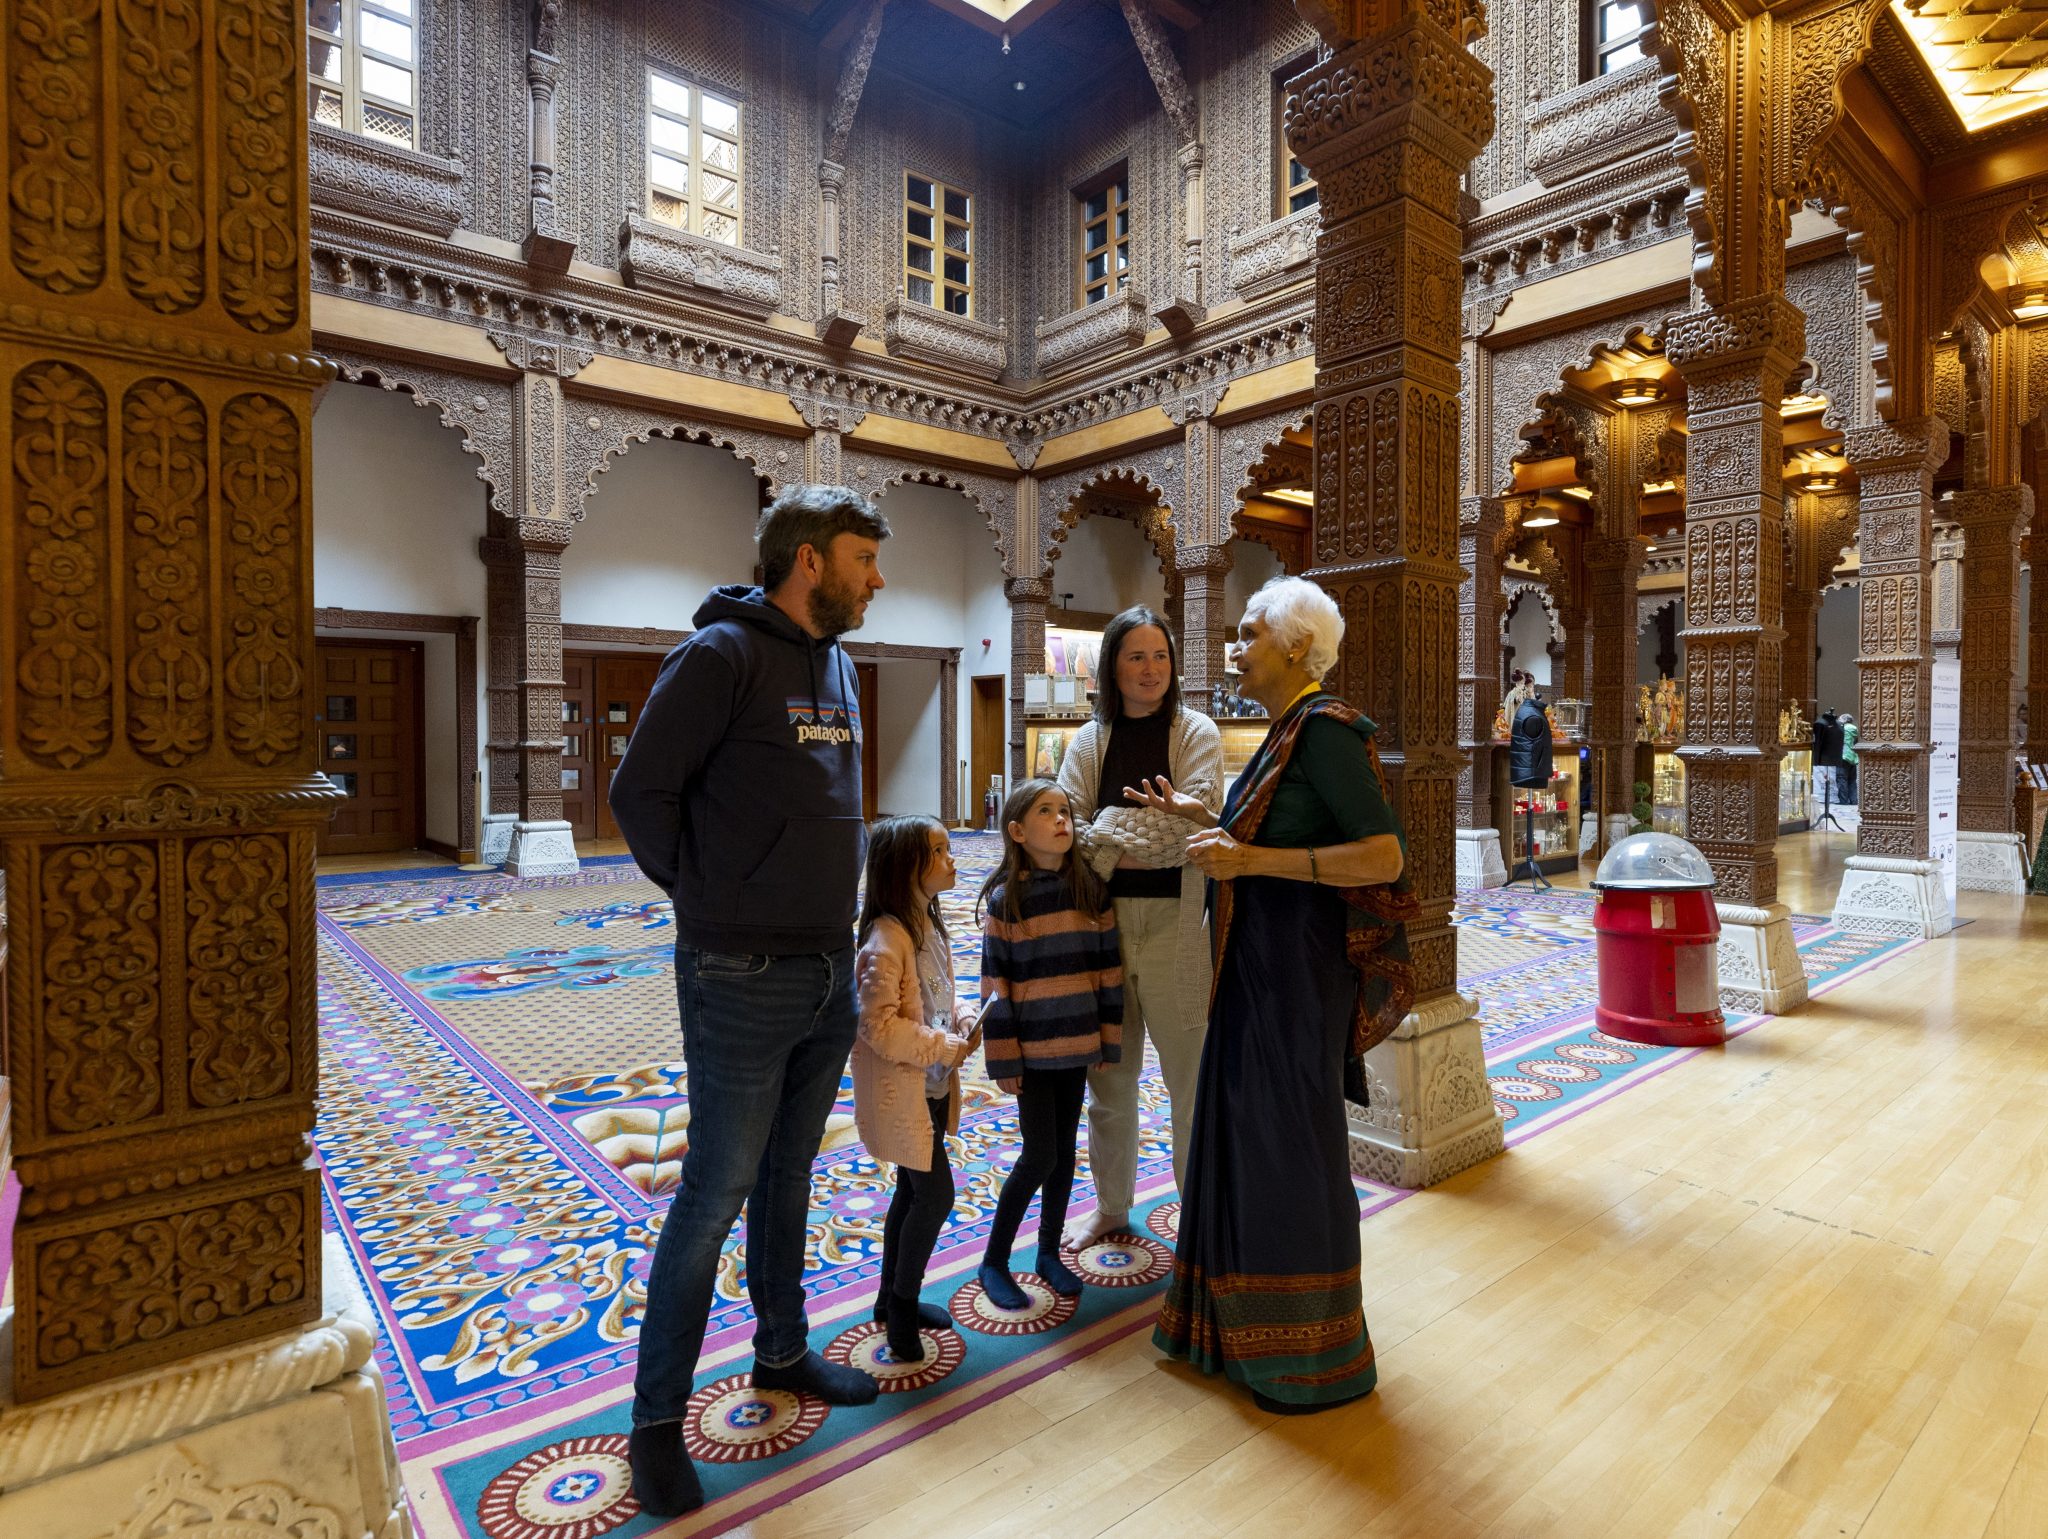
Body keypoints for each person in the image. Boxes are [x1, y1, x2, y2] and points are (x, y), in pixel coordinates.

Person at [608, 483, 889, 1518]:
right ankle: (653, 1426)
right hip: (738, 971)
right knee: (712, 1195)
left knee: (788, 1177)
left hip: (825, 963)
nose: (877, 578)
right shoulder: (719, 657)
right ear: (808, 560)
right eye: (864, 557)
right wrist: (711, 895)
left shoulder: (838, 665)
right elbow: (640, 793)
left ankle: (781, 1353)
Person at [1136, 576, 1414, 1414]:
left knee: (1288, 1149)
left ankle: (1308, 1353)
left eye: (1250, 632)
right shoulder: (1284, 730)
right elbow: (1266, 831)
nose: (1234, 645)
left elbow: (1384, 858)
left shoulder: (1328, 731)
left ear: (1298, 646)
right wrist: (1202, 817)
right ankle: (1229, 1333)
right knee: (1246, 1138)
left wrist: (1250, 862)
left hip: (1297, 979)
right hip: (1256, 971)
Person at [1054, 606, 1222, 1250]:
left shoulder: (1197, 733)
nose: (1150, 669)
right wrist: (1128, 836)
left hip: (1180, 924)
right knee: (1110, 1082)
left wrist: (1109, 834)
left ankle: (1197, 1209)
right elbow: (1067, 831)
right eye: (1135, 657)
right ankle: (1112, 1206)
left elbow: (1193, 832)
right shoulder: (1089, 742)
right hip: (1104, 925)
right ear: (1112, 668)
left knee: (1189, 1080)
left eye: (1160, 656)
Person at [976, 780, 1124, 1311]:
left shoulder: (1090, 891)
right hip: (1032, 1053)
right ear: (1018, 831)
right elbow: (995, 987)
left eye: (1065, 810)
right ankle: (993, 1259)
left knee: (1063, 1154)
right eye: (1046, 812)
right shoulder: (1007, 901)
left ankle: (1046, 1253)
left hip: (1078, 1044)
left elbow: (1109, 974)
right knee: (1038, 1154)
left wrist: (1108, 1040)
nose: (1062, 819)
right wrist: (1004, 1058)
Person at [853, 817, 985, 1364]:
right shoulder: (885, 942)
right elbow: (877, 1027)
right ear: (907, 867)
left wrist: (960, 1016)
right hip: (904, 1088)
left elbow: (934, 998)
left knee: (912, 1193)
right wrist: (943, 1047)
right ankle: (901, 1309)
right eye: (939, 850)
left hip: (929, 1084)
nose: (953, 858)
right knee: (934, 1194)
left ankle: (890, 1300)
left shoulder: (927, 925)